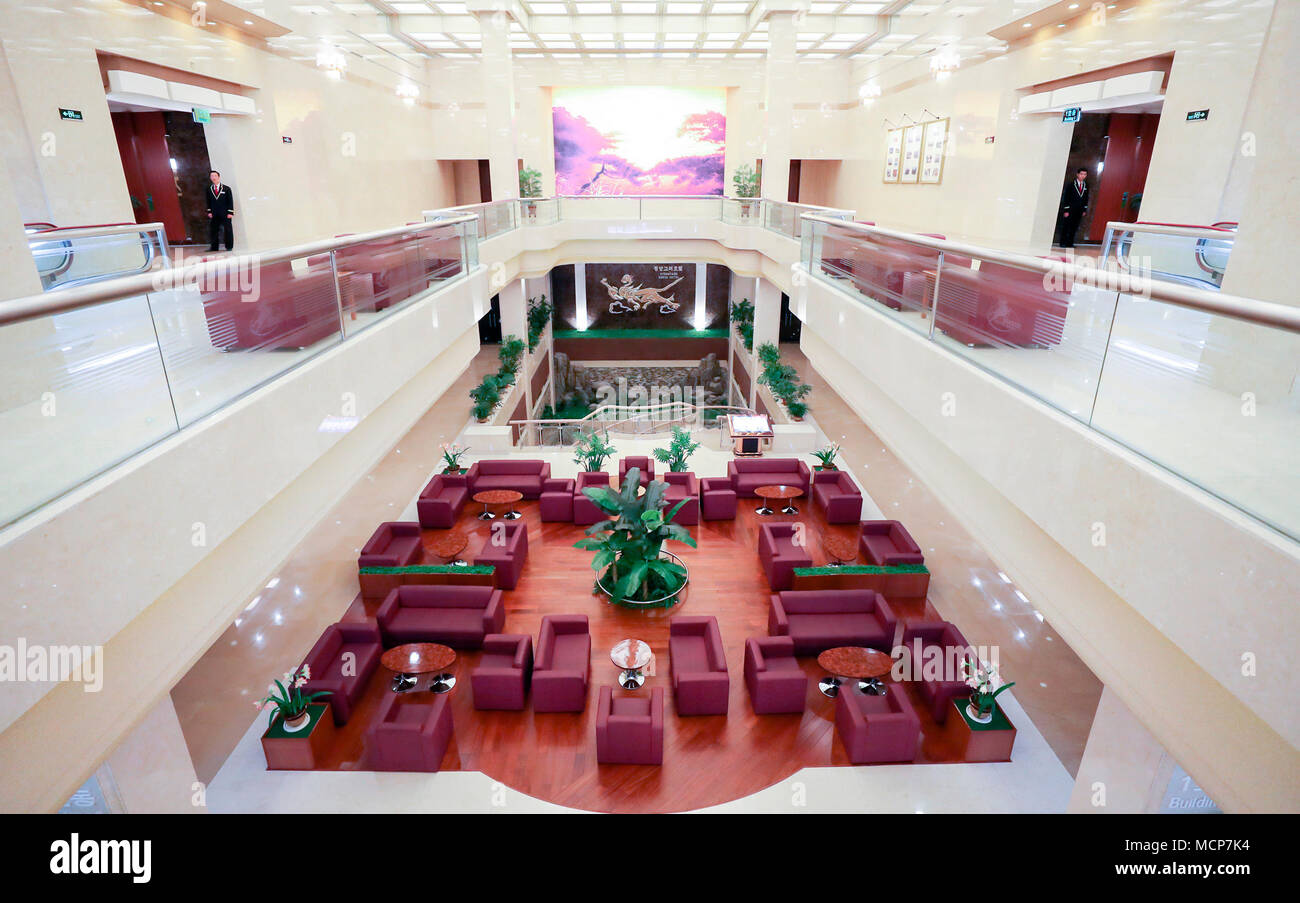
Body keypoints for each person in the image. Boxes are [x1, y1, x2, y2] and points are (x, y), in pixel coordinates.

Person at [1056, 167, 1090, 249]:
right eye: (1081, 174)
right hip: (1070, 209)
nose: (1083, 176)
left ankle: (1070, 243)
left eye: (1085, 174)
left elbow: (1086, 198)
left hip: (1079, 210)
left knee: (1074, 227)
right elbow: (1066, 197)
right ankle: (1063, 242)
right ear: (1077, 174)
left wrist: (1084, 209)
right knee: (1066, 226)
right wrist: (1066, 210)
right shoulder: (1071, 185)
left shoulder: (1086, 186)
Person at [206, 170, 235, 251]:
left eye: (215, 176)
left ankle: (229, 246)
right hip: (214, 213)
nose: (213, 177)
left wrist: (230, 212)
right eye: (212, 176)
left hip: (225, 213)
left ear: (218, 177)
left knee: (228, 230)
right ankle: (214, 247)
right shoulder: (209, 189)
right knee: (214, 230)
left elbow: (230, 201)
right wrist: (209, 211)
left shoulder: (226, 188)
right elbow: (208, 201)